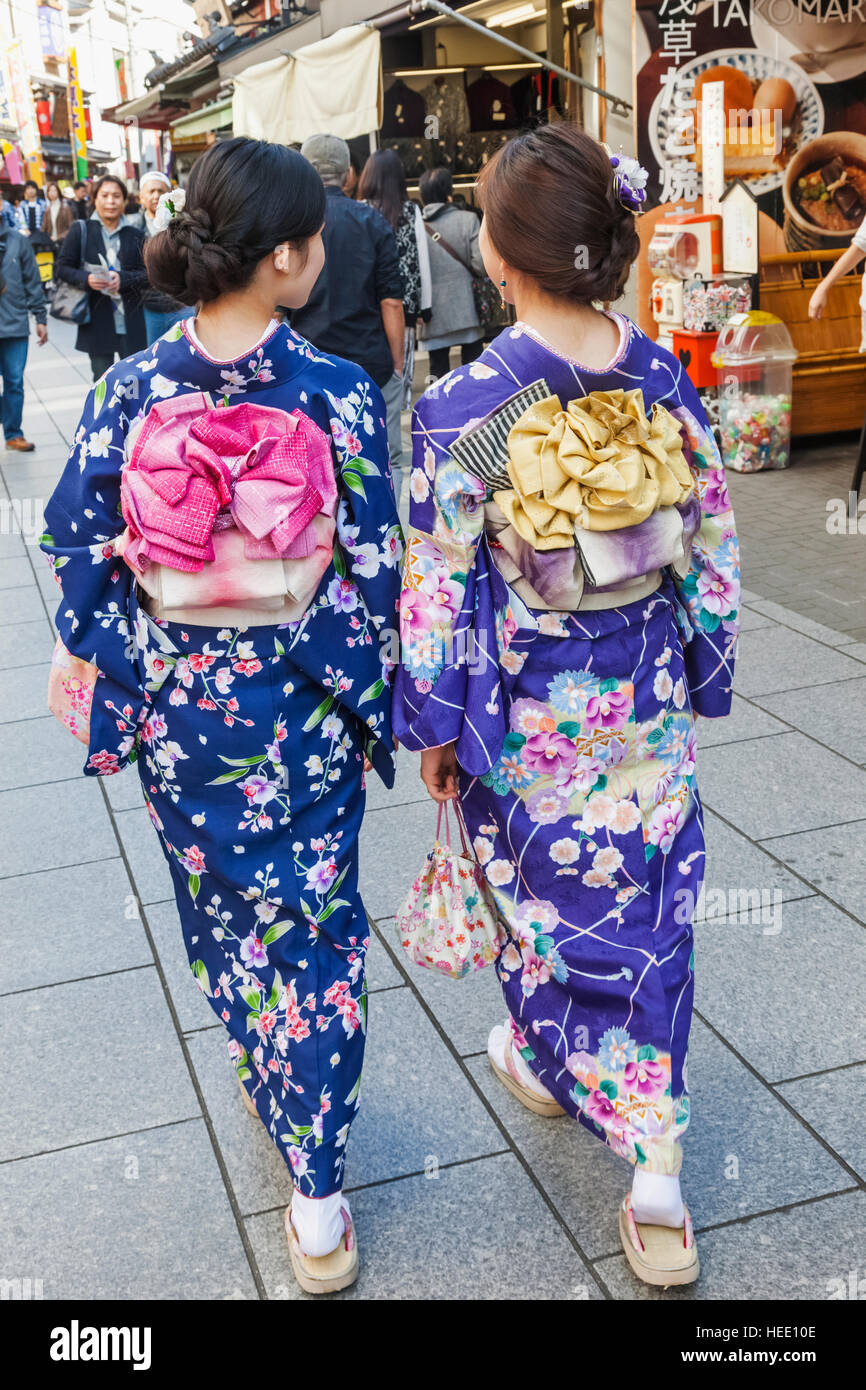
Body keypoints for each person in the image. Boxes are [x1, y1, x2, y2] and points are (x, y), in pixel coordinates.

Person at [40, 135, 402, 1296]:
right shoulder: (336, 390)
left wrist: (103, 647)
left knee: (225, 916)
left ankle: (271, 1078)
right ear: (289, 257)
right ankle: (317, 1189)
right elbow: (377, 564)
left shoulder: (129, 389)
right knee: (316, 925)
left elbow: (81, 547)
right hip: (297, 708)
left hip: (184, 713)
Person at [393, 123, 741, 1288]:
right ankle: (653, 1178)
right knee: (650, 913)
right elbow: (706, 543)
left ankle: (560, 1066)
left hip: (526, 719)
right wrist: (703, 663)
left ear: (497, 257)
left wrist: (435, 726)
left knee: (540, 911)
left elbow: (437, 586)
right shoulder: (655, 375)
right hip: (640, 704)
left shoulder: (462, 406)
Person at [288, 133, 406, 500]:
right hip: (372, 363)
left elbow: (276, 309)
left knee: (315, 461)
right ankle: (387, 542)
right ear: (350, 174)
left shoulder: (292, 227)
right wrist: (398, 367)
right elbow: (392, 302)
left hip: (308, 366)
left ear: (304, 172)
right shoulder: (372, 221)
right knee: (386, 459)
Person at [358, 147, 432, 417]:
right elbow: (422, 261)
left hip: (367, 305)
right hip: (406, 309)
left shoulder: (360, 212)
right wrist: (426, 307)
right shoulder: (411, 211)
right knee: (401, 380)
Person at [54, 174, 148, 380]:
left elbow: (148, 275)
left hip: (131, 322)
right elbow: (62, 268)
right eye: (104, 195)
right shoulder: (82, 230)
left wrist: (122, 279)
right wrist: (87, 278)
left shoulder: (135, 234)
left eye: (116, 196)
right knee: (103, 385)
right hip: (97, 322)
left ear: (124, 200)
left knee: (135, 384)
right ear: (95, 199)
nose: (110, 201)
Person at [418, 166, 484, 380]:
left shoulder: (416, 227)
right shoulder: (468, 219)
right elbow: (481, 265)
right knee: (474, 375)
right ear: (449, 192)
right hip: (467, 310)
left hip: (433, 315)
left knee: (439, 378)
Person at [0, 215, 48, 451]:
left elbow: (32, 280)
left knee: (14, 382)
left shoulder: (18, 240)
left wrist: (40, 317)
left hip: (14, 324)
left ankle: (12, 433)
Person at [137, 170, 190, 342]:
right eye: (151, 191)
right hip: (151, 306)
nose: (156, 196)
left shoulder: (184, 224)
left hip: (183, 304)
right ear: (141, 197)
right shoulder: (133, 230)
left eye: (161, 191)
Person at [44, 181, 75, 247]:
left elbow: (71, 227)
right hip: (51, 243)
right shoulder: (47, 209)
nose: (52, 193)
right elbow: (44, 227)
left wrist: (58, 237)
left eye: (54, 190)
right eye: (50, 190)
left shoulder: (65, 207)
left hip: (64, 242)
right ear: (47, 193)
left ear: (58, 192)